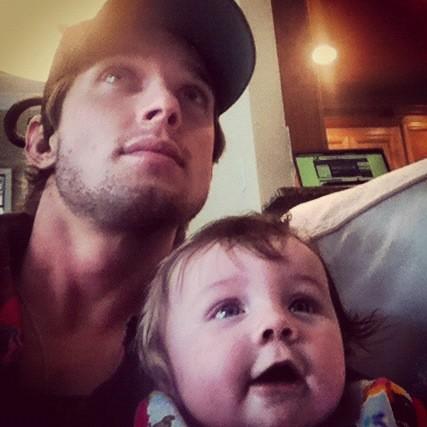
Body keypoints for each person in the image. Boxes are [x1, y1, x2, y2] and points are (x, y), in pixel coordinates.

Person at [0, 0, 255, 426]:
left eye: (193, 94)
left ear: (208, 166)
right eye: (116, 76)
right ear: (43, 144)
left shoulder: (254, 339)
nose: (166, 105)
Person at [137, 214, 427, 427]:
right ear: (167, 370)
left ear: (343, 344)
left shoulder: (394, 413)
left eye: (302, 305)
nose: (275, 321)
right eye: (228, 310)